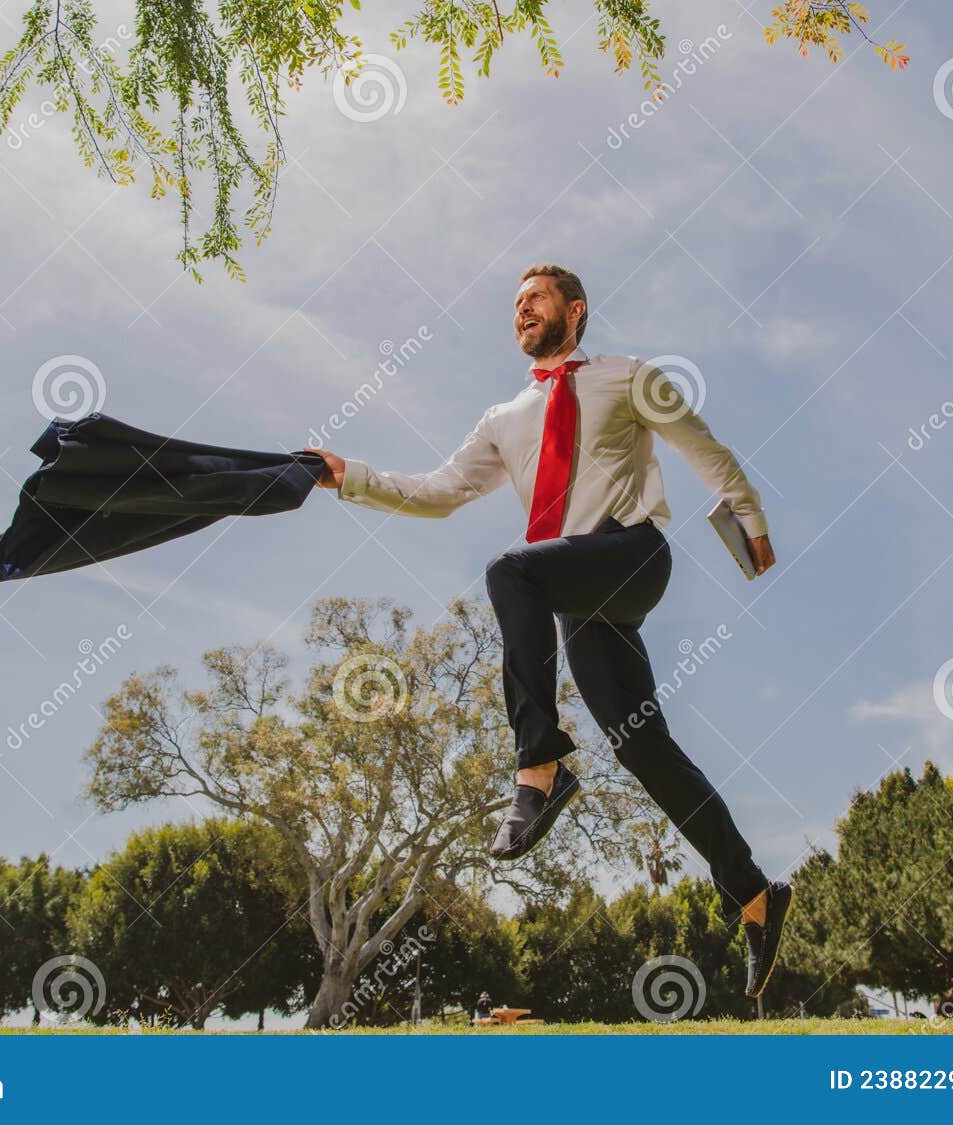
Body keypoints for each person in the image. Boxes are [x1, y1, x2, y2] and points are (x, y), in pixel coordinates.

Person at [307, 263, 793, 997]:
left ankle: (539, 766)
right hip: (576, 596)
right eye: (513, 304)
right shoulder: (503, 420)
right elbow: (437, 493)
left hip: (631, 554)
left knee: (511, 572)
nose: (520, 311)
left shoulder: (627, 375)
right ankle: (756, 896)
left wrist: (748, 516)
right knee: (644, 748)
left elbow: (700, 444)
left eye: (534, 299)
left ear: (576, 309)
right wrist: (352, 475)